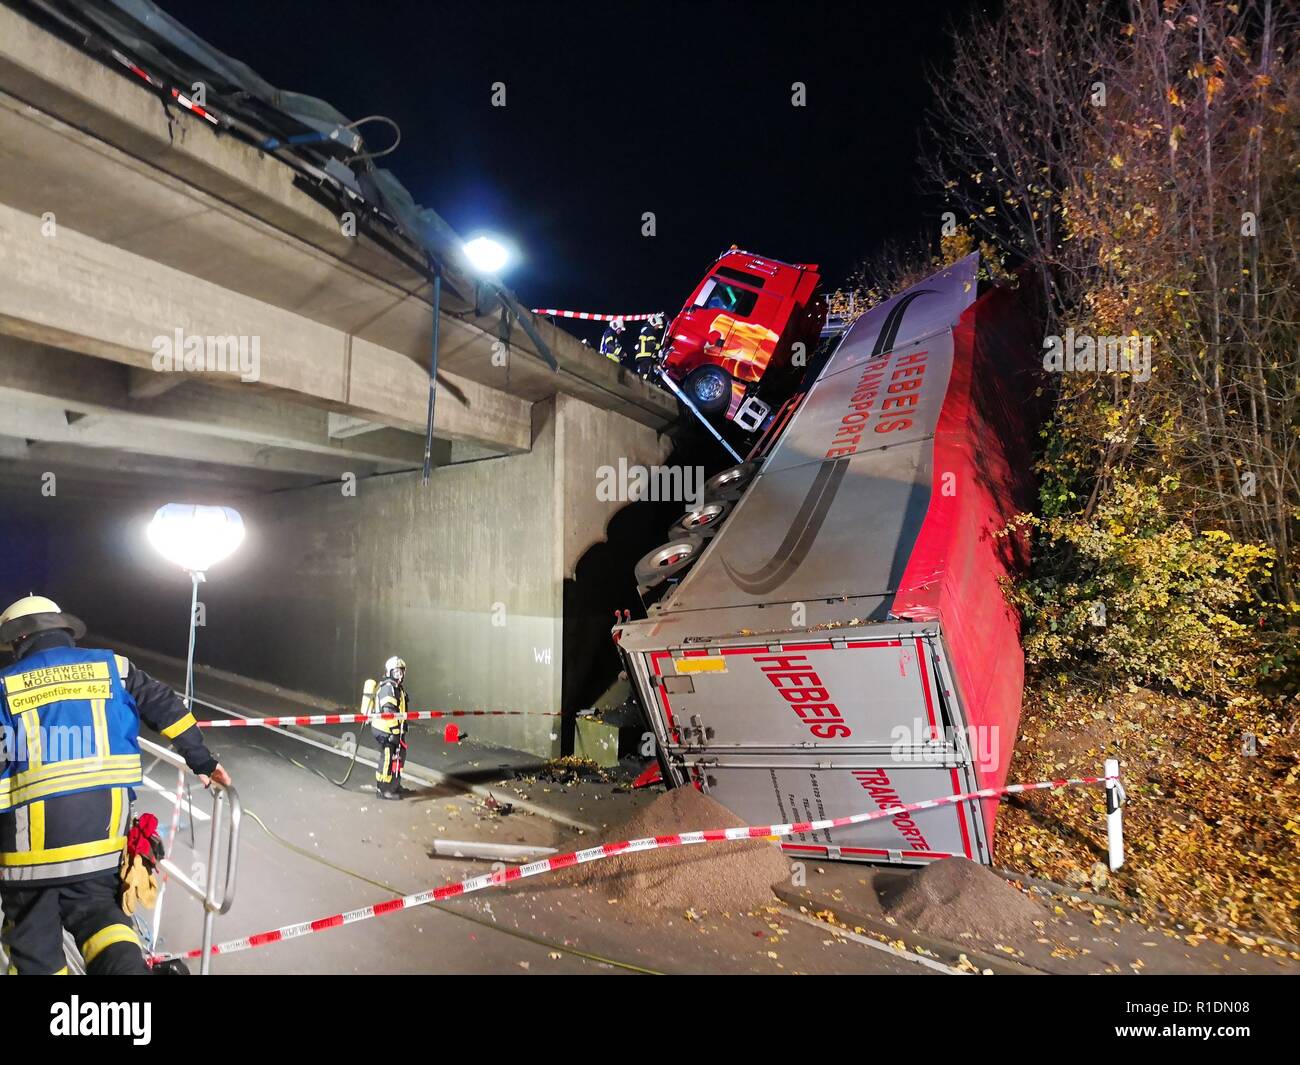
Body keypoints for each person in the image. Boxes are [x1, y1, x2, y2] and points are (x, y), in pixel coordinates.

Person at [0, 595, 230, 974]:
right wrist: (203, 761)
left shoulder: (5, 686)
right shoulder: (114, 669)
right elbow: (165, 705)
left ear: (19, 639)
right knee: (105, 923)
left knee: (33, 945)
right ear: (62, 631)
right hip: (102, 845)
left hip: (28, 858)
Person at [369, 656, 409, 800]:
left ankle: (394, 785)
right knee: (387, 758)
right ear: (389, 672)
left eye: (401, 672)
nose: (400, 675)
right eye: (397, 672)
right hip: (385, 730)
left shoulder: (397, 687)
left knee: (399, 757)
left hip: (395, 729)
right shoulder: (388, 688)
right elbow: (388, 712)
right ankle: (383, 789)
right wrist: (395, 732)